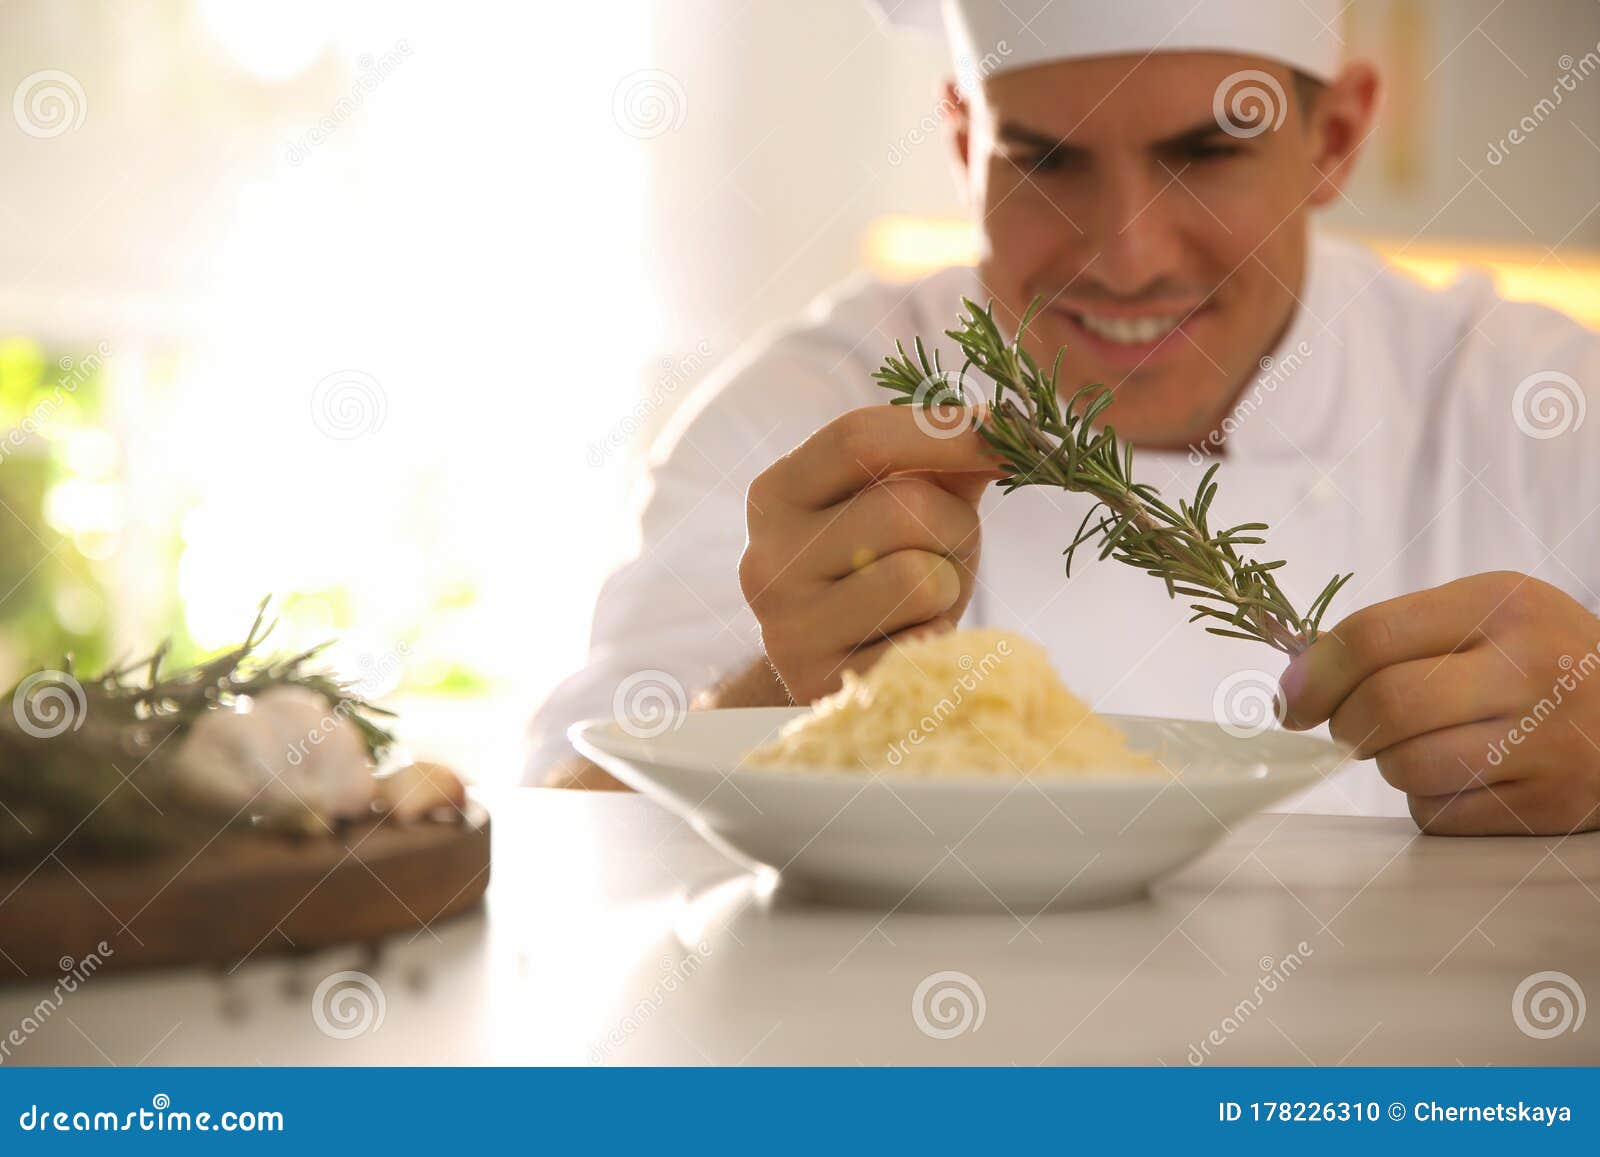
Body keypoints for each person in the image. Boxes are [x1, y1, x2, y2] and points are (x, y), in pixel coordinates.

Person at [529, 0, 1600, 836]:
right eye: (1043, 159)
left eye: (1207, 151)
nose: (1123, 255)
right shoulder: (801, 416)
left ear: (1335, 137)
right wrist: (781, 696)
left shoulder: (1536, 405)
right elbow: (554, 858)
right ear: (962, 143)